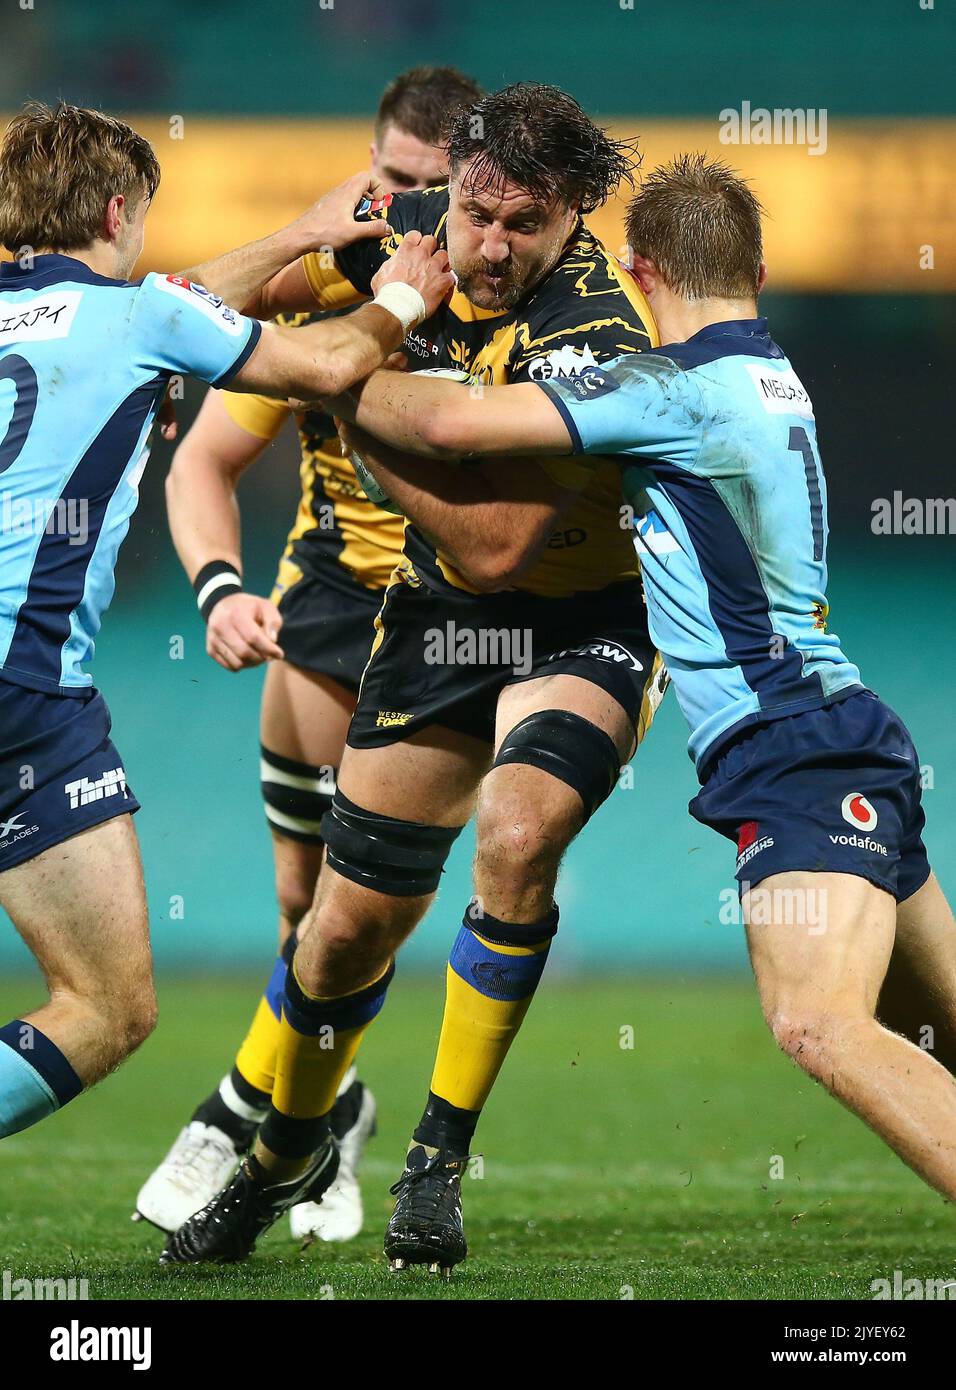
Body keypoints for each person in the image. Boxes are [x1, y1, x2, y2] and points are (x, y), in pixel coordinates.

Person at [325, 153, 956, 1236]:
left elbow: (450, 429)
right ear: (755, 269)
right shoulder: (767, 371)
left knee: (815, 1024)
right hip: (844, 732)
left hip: (791, 749)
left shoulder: (666, 390)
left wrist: (328, 361)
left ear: (633, 265)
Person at [161, 84, 668, 1272]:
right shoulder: (405, 233)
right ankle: (277, 1159)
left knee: (516, 825)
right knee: (338, 939)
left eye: (523, 225)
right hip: (435, 620)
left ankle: (436, 1165)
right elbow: (188, 319)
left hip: (580, 619)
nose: (489, 248)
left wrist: (339, 374)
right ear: (455, 186)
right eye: (477, 214)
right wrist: (298, 240)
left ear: (577, 214)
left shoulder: (600, 330)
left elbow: (494, 543)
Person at [0, 94, 454, 1221]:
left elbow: (152, 307)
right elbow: (325, 361)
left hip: (33, 705)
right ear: (117, 209)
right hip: (25, 699)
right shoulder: (144, 319)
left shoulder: (88, 312)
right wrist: (406, 288)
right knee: (104, 1007)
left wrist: (303, 237)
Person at [135, 66, 482, 1247]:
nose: (414, 212)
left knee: (346, 917)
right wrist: (219, 585)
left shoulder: (520, 300)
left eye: (438, 191)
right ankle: (329, 1111)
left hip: (450, 622)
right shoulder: (317, 289)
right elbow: (199, 463)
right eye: (392, 185)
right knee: (304, 907)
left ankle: (246, 1114)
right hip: (329, 608)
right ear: (366, 173)